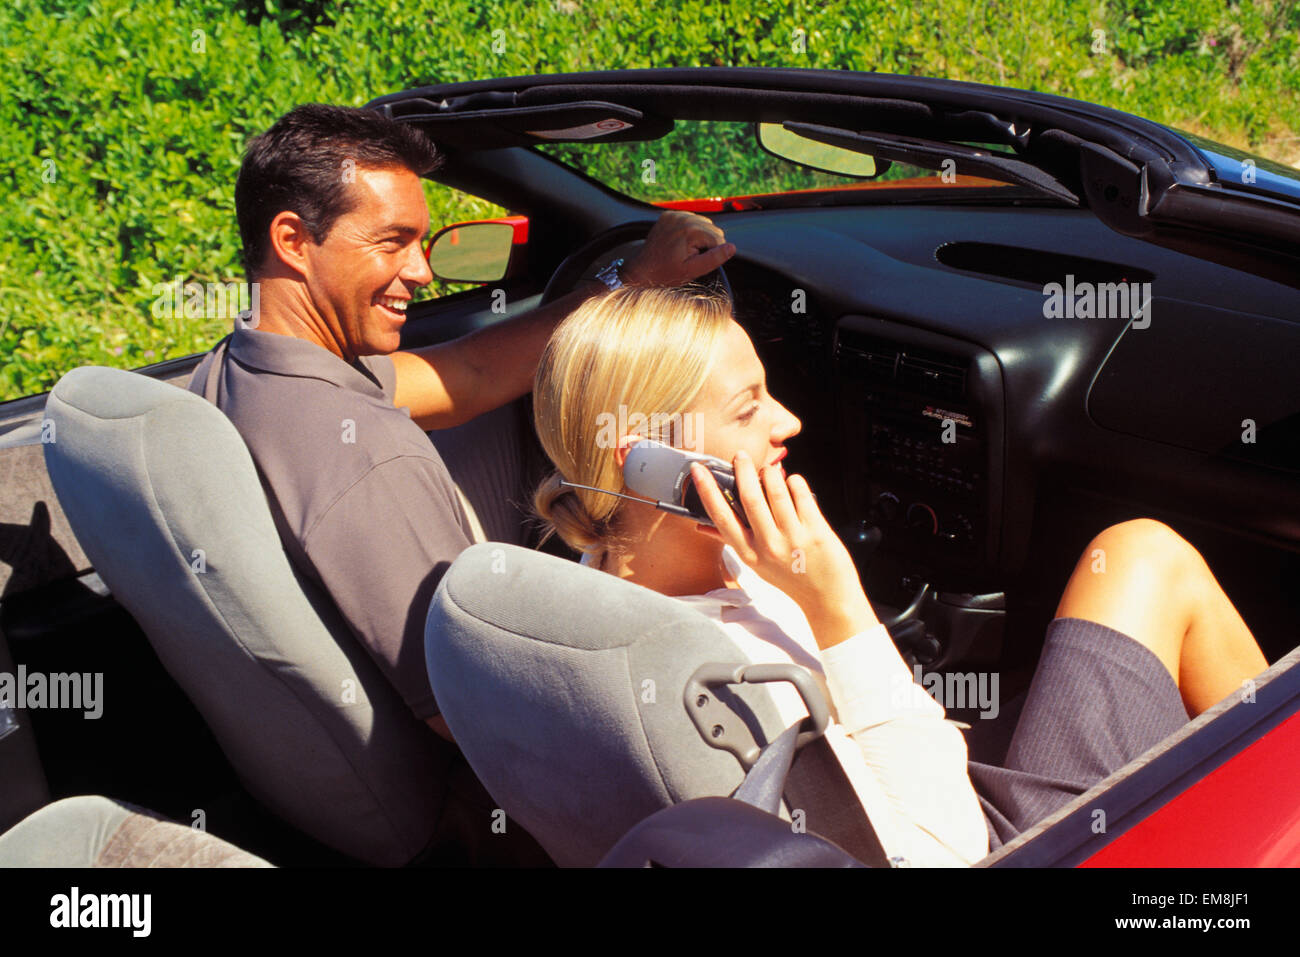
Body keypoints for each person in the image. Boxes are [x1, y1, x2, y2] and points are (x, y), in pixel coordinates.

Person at [530, 284, 1270, 866]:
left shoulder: (590, 589)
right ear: (646, 462)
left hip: (915, 789)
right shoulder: (727, 677)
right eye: (748, 408)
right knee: (1146, 555)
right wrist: (838, 605)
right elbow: (949, 848)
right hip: (998, 846)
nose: (788, 421)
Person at [187, 104, 733, 741]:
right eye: (392, 242)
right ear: (292, 241)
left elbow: (470, 374)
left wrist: (634, 280)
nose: (421, 270)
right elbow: (480, 712)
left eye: (421, 243)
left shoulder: (249, 366)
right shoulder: (363, 455)